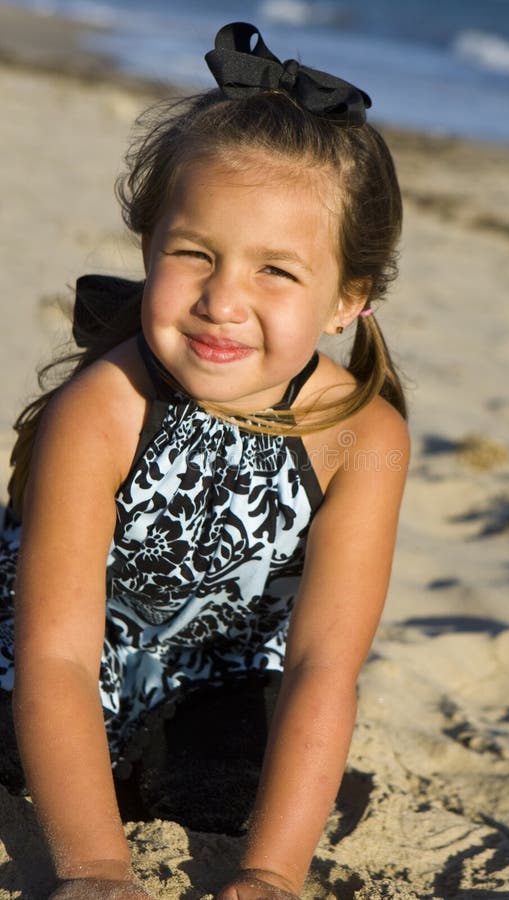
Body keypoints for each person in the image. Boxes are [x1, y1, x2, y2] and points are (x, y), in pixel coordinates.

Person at [0, 21, 409, 900]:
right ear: (149, 248)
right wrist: (97, 871)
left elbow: (322, 666)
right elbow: (55, 657)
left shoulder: (360, 438)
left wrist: (272, 873)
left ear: (347, 298)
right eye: (194, 254)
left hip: (217, 678)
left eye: (276, 272)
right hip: (59, 667)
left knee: (235, 784)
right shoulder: (105, 411)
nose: (224, 300)